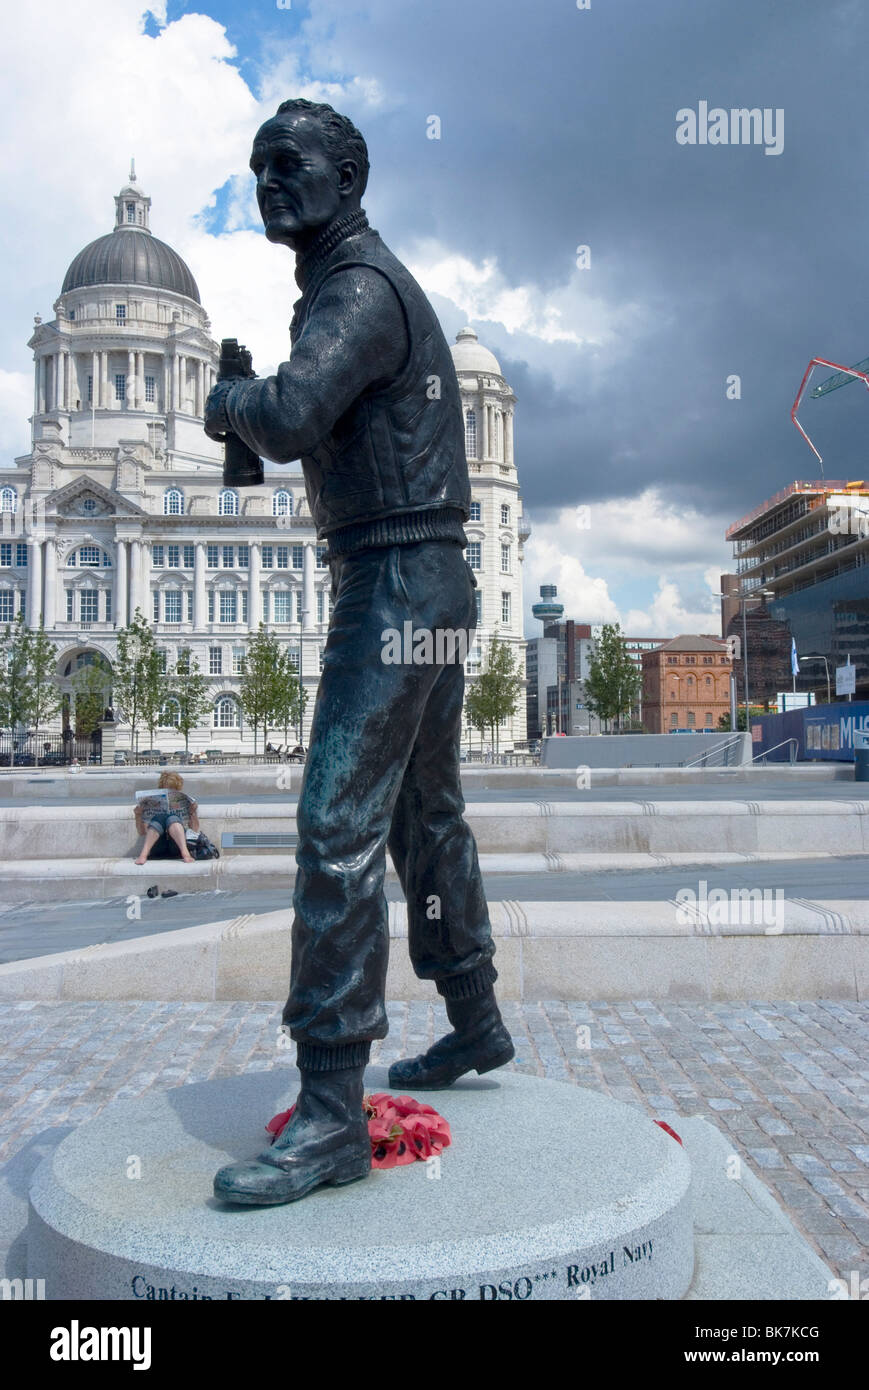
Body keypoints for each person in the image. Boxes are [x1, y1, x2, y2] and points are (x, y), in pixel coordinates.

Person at [204, 98, 513, 1208]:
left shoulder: (357, 289)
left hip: (391, 582)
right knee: (425, 817)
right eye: (257, 168)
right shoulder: (352, 286)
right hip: (424, 576)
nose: (271, 182)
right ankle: (473, 1022)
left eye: (291, 164)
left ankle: (332, 1111)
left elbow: (287, 415)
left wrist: (225, 400)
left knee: (335, 831)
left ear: (350, 175)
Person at [133, 771, 200, 865]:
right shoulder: (149, 803)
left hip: (177, 846)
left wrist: (193, 813)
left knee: (172, 818)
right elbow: (142, 833)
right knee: (159, 818)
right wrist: (138, 815)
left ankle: (185, 853)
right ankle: (143, 855)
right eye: (166, 789)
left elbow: (194, 831)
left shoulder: (187, 803)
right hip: (158, 845)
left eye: (172, 790)